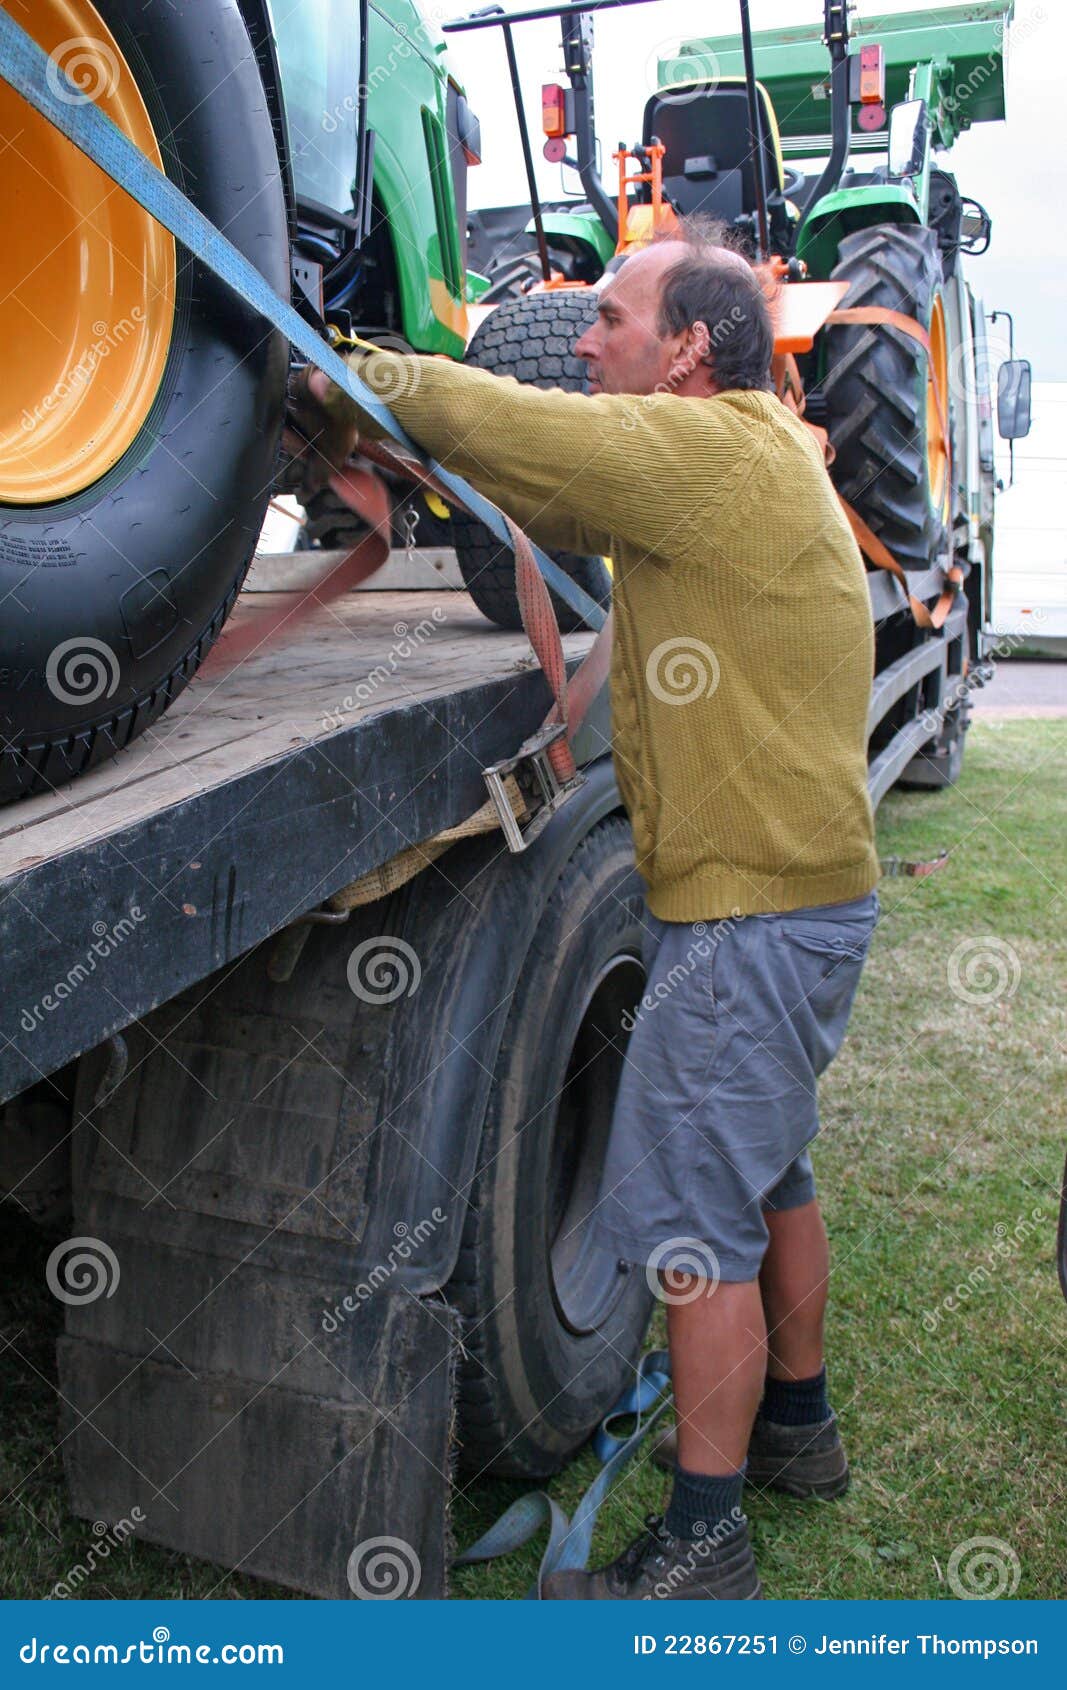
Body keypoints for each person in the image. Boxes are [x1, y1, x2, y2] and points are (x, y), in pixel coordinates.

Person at [287, 219, 881, 1601]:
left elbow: (528, 432)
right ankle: (797, 1423)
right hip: (799, 901)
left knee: (690, 1220)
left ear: (689, 349)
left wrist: (345, 375)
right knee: (768, 1169)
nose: (586, 337)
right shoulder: (749, 459)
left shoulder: (710, 450)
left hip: (746, 921)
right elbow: (545, 491)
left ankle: (704, 1535)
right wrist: (407, 451)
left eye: (611, 317)